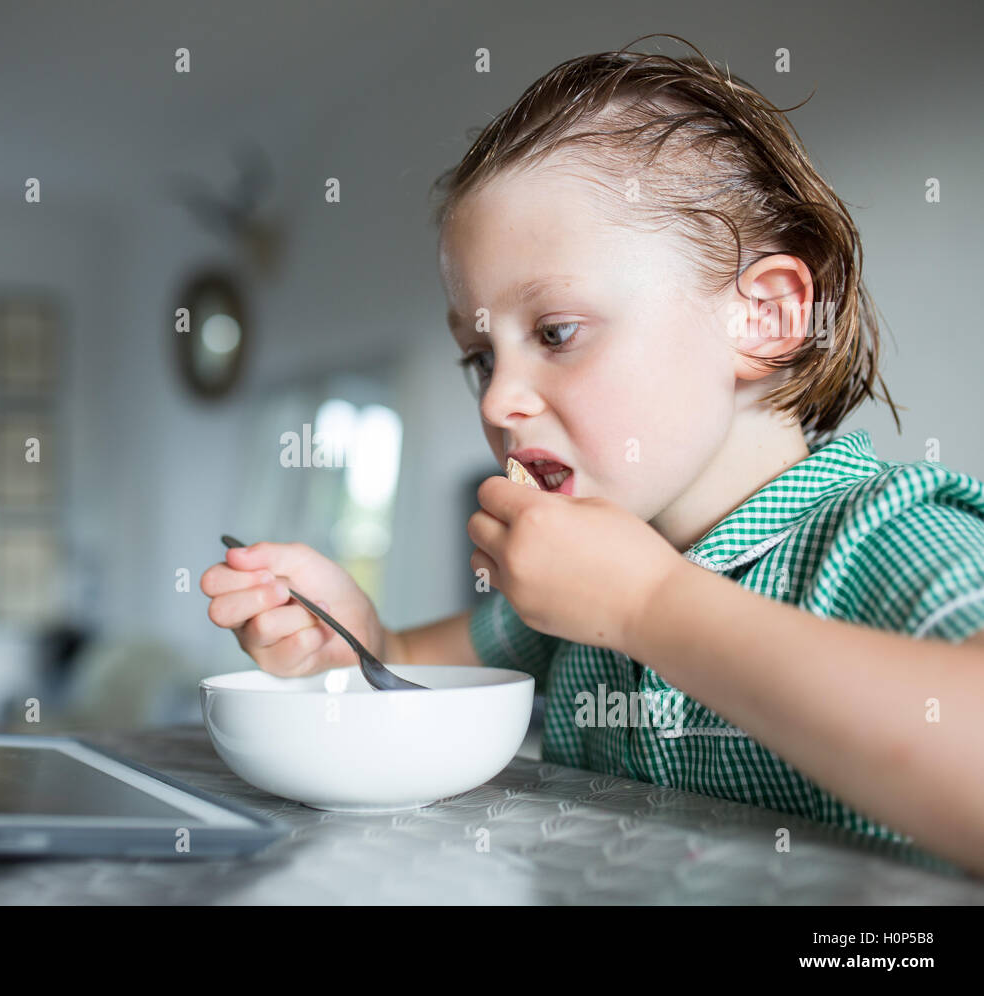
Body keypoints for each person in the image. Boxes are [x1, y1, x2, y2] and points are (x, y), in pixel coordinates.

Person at [200, 35, 984, 876]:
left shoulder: (884, 535)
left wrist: (648, 604)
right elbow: (411, 667)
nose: (499, 400)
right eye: (481, 357)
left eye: (556, 332)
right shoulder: (575, 604)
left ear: (764, 318)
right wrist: (356, 637)